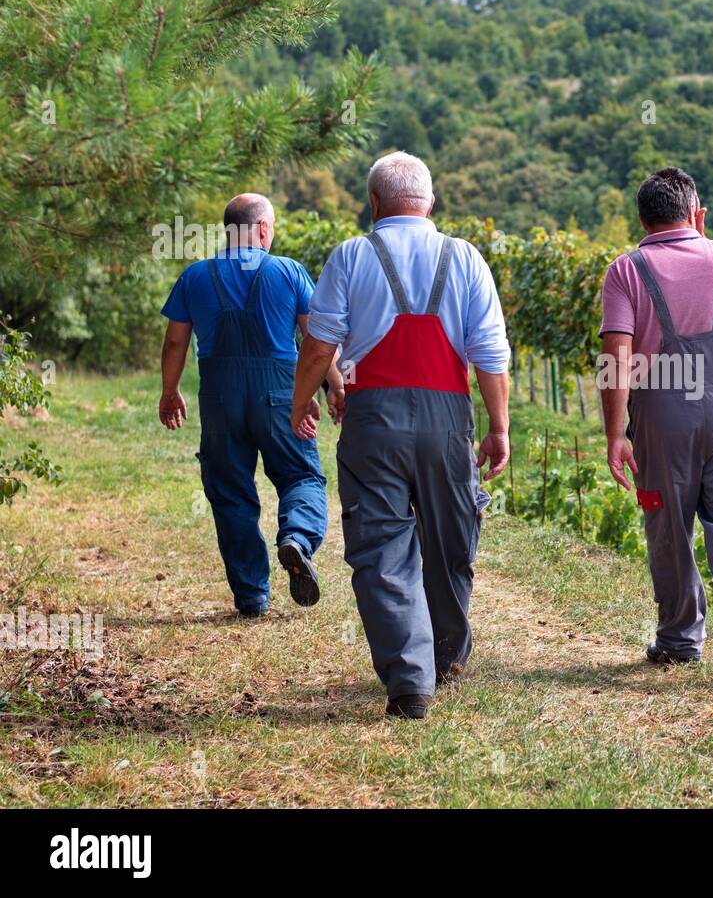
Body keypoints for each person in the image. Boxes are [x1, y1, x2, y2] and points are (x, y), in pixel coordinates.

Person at [290, 151, 511, 720]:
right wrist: (499, 427)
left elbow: (321, 345)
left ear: (373, 204)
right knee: (451, 539)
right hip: (448, 419)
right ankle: (445, 655)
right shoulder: (466, 258)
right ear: (430, 202)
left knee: (380, 546)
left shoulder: (351, 256)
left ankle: (409, 679)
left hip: (373, 420)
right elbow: (489, 352)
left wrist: (302, 402)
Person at [599, 167, 713, 684]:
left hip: (662, 414)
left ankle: (679, 638)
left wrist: (613, 434)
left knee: (668, 524)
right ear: (697, 212)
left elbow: (616, 353)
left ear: (642, 219)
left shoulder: (625, 271)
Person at [159, 193, 341, 617]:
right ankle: (296, 536)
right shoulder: (289, 271)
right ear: (262, 229)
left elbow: (175, 341)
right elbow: (317, 340)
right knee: (301, 476)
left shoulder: (195, 276)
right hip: (281, 395)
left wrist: (170, 391)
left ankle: (252, 595)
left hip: (221, 398)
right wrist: (336, 387)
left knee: (230, 493)